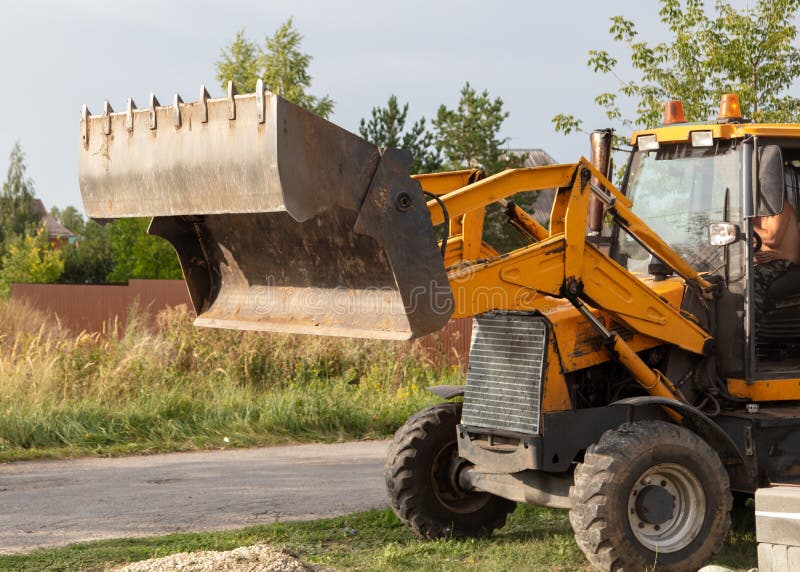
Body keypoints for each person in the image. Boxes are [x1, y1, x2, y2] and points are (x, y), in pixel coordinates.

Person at [753, 199, 800, 318]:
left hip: (789, 265)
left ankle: (752, 330)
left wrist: (747, 225)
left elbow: (771, 239)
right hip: (769, 265)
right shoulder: (756, 214)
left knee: (752, 279)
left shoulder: (779, 207)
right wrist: (756, 257)